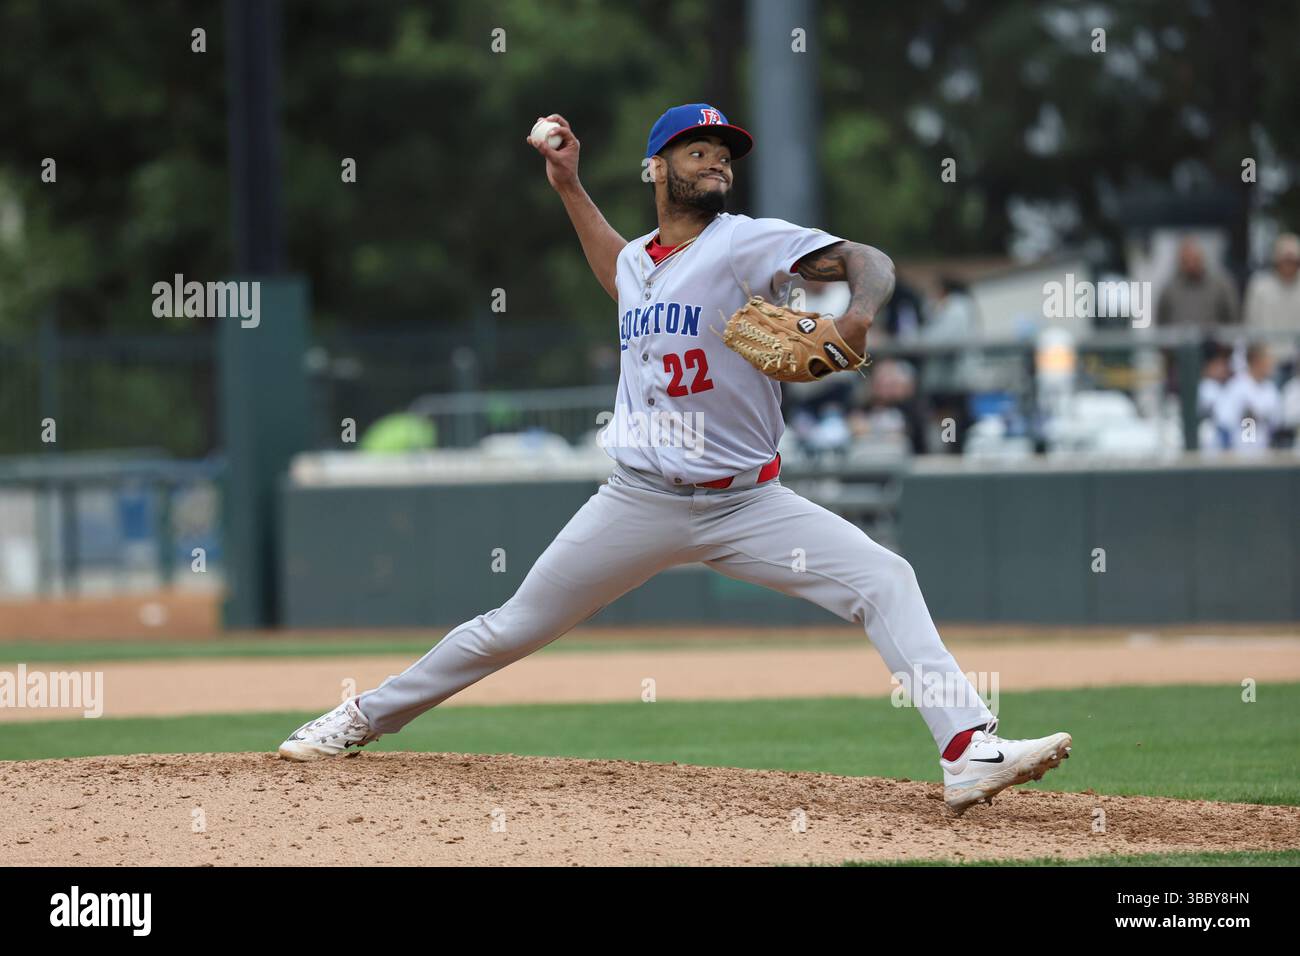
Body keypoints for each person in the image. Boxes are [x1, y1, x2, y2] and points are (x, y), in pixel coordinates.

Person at [278, 104, 1072, 815]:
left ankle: (967, 751)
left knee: (883, 578)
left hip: (748, 505)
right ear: (656, 168)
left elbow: (870, 259)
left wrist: (858, 316)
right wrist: (567, 185)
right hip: (639, 501)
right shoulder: (639, 264)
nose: (716, 162)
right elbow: (618, 271)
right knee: (511, 627)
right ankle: (359, 718)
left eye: (724, 153)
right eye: (696, 152)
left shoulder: (746, 242)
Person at [1156, 237, 1240, 332]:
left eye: (1194, 259)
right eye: (1186, 260)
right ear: (1180, 262)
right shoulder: (1169, 290)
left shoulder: (1221, 286)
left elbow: (1233, 319)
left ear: (1202, 258)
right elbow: (1161, 322)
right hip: (1177, 345)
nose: (1191, 264)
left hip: (1214, 345)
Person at [1243, 233, 1300, 371]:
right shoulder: (1259, 286)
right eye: (1285, 260)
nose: (1289, 264)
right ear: (1277, 260)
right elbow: (1250, 323)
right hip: (1267, 361)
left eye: (1293, 260)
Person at [1213, 344, 1280, 453]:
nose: (1271, 363)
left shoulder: (1270, 388)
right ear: (1256, 361)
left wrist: (1261, 416)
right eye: (1267, 359)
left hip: (1266, 451)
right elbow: (1222, 419)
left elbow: (1277, 422)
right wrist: (1242, 415)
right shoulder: (1237, 386)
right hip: (1239, 452)